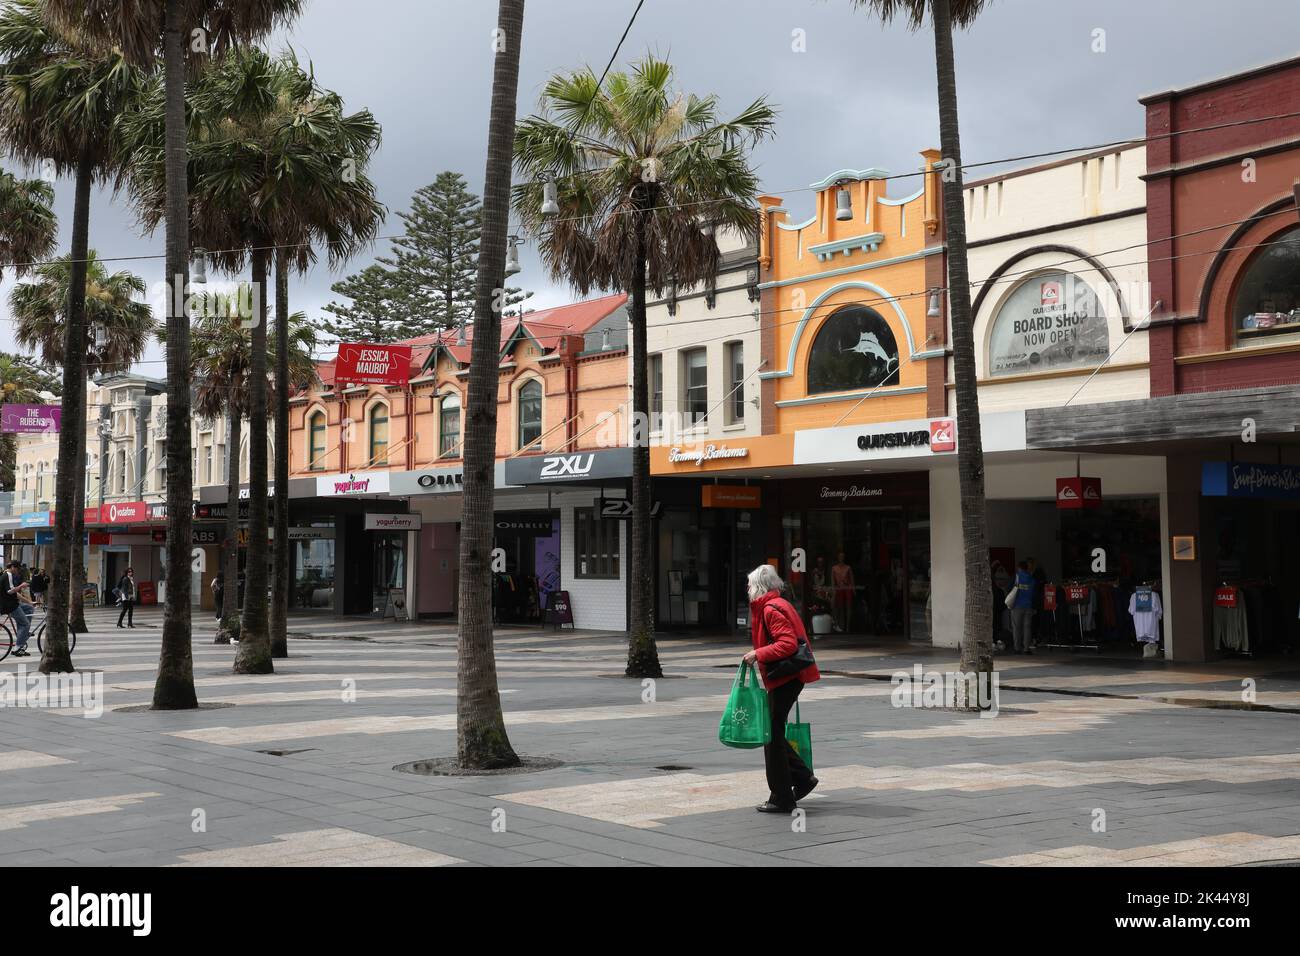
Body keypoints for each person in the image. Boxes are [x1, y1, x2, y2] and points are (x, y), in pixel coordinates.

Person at [742, 564, 821, 814]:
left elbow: (787, 644)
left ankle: (782, 796)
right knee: (773, 732)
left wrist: (758, 653)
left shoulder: (770, 609)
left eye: (749, 585)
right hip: (789, 677)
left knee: (770, 735)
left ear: (758, 586)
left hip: (785, 678)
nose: (747, 589)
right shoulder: (779, 603)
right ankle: (801, 779)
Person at [3, 560, 34, 657]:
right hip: (9, 606)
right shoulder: (8, 575)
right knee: (25, 624)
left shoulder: (8, 575)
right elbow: (10, 591)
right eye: (17, 568)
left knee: (29, 608)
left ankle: (23, 633)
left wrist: (29, 602)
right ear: (12, 567)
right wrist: (21, 586)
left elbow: (15, 593)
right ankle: (17, 648)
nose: (17, 571)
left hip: (13, 603)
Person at [1010, 560, 1036, 654]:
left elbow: (1010, 589)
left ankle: (1017, 648)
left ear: (1019, 568)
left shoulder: (1016, 577)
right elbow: (1034, 594)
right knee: (1027, 628)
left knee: (1017, 628)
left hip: (1017, 606)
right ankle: (1026, 648)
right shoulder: (1032, 579)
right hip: (1028, 606)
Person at [831, 552, 855, 633]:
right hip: (839, 588)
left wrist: (853, 590)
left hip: (847, 588)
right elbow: (833, 581)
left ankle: (848, 627)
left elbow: (852, 580)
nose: (841, 558)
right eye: (840, 556)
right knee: (840, 607)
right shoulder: (834, 568)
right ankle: (841, 626)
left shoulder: (848, 568)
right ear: (838, 558)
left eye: (843, 557)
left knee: (849, 607)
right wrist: (834, 590)